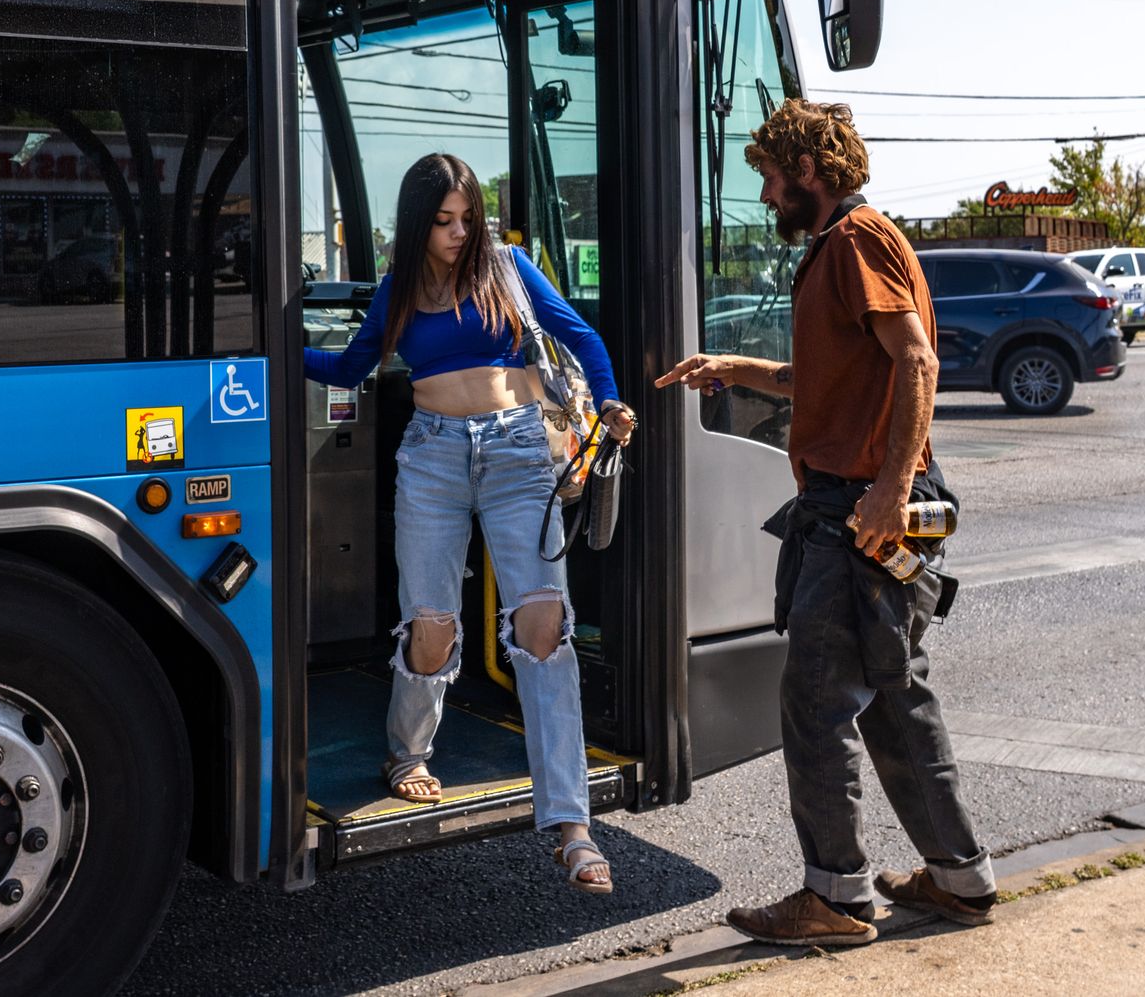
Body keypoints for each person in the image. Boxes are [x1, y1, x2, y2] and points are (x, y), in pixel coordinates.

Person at [656, 100, 993, 946]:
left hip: (859, 508)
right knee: (890, 697)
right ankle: (960, 878)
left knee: (813, 702)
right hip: (856, 501)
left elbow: (915, 358)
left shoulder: (853, 242)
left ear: (807, 170)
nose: (766, 194)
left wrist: (889, 486)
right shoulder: (841, 248)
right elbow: (836, 379)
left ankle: (836, 898)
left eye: (770, 177)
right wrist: (735, 368)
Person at [304, 153, 635, 894]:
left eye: (467, 219)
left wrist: (609, 401)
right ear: (419, 223)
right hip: (431, 457)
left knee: (544, 625)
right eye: (444, 221)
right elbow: (350, 367)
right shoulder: (398, 290)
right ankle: (407, 752)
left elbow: (580, 334)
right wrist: (271, 350)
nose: (459, 233)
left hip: (519, 450)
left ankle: (570, 823)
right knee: (434, 626)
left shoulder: (509, 267)